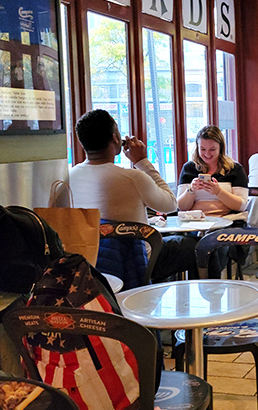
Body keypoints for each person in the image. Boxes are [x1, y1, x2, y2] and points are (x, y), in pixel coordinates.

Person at [69, 109, 196, 282]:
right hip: (134, 261)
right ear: (115, 138)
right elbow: (171, 204)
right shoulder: (132, 177)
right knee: (194, 246)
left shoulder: (70, 177)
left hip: (90, 260)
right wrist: (141, 162)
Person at [178, 125, 248, 218]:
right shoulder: (189, 168)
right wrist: (191, 190)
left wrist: (218, 192)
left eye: (212, 149)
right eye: (202, 149)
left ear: (220, 148)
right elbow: (181, 207)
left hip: (228, 221)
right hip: (196, 223)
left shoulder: (234, 169)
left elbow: (242, 206)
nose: (207, 154)